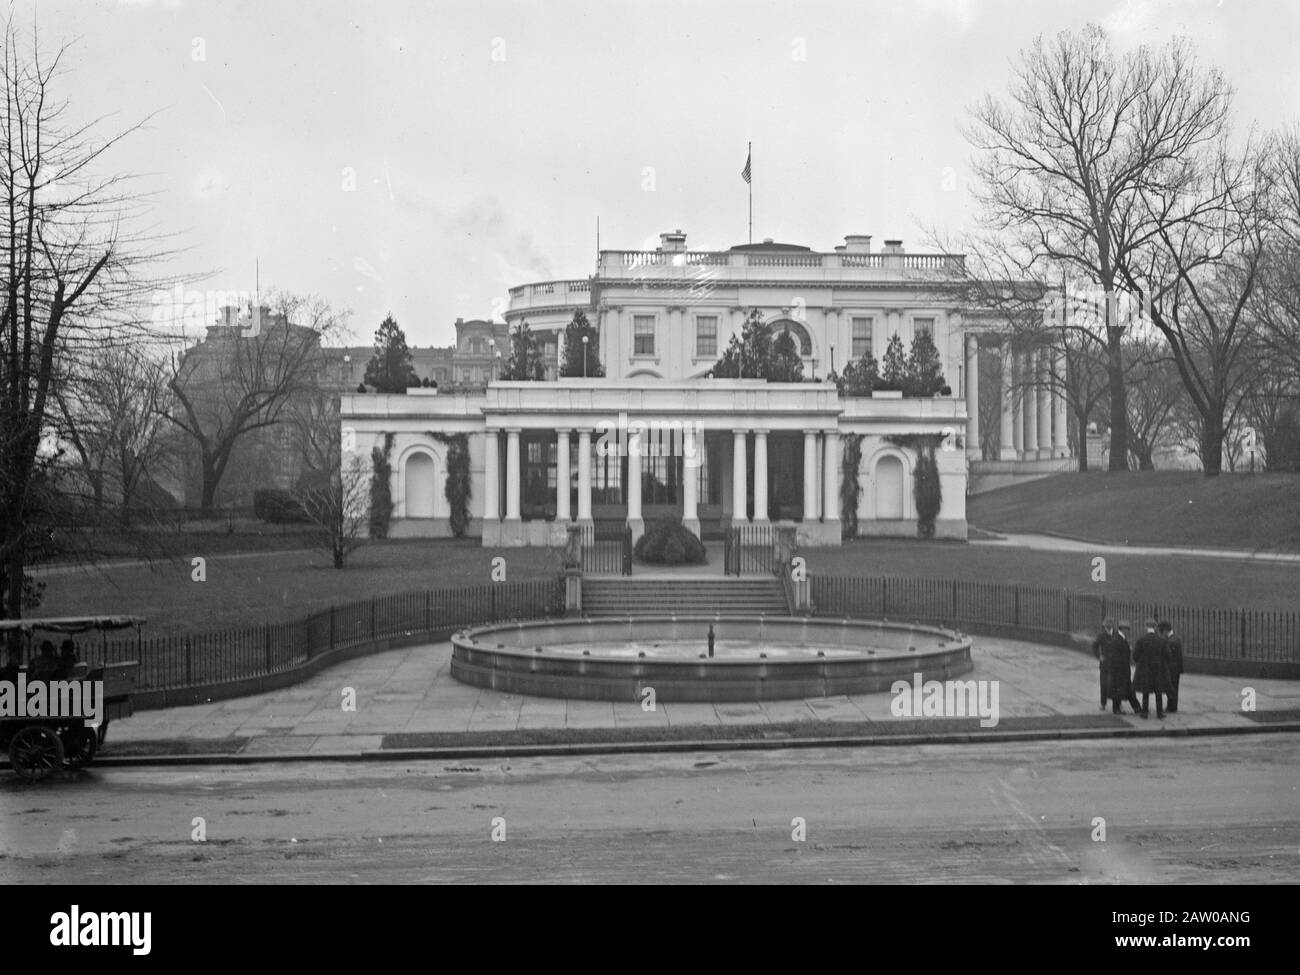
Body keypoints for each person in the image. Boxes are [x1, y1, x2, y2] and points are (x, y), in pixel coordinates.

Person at [1131, 618, 1171, 719]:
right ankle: (1159, 713)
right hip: (1158, 669)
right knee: (1158, 692)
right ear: (1155, 627)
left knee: (1146, 691)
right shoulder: (1161, 640)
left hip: (1145, 670)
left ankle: (1144, 712)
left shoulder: (1141, 640)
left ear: (1146, 627)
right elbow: (1168, 655)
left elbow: (1135, 656)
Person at [1107, 621, 1142, 715]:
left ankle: (1136, 707)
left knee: (1126, 689)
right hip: (1120, 670)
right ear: (1123, 629)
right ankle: (1119, 709)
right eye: (1127, 629)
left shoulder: (1120, 639)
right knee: (1121, 690)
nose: (1128, 631)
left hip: (1122, 670)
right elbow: (1116, 657)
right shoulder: (1118, 640)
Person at [1091, 617, 1120, 710]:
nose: (1109, 625)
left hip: (1115, 664)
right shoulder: (1101, 635)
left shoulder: (1116, 635)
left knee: (1115, 684)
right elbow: (1094, 646)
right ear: (1104, 625)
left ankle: (1117, 703)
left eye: (1110, 623)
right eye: (1107, 623)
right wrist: (1099, 656)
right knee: (1104, 684)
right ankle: (1103, 703)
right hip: (1105, 664)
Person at [1158, 621, 1183, 713]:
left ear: (1165, 631)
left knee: (1171, 688)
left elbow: (1168, 656)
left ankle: (1171, 707)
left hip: (1172, 669)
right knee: (1173, 688)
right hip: (1175, 668)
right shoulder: (1174, 638)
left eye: (1161, 632)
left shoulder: (1171, 641)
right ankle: (1172, 706)